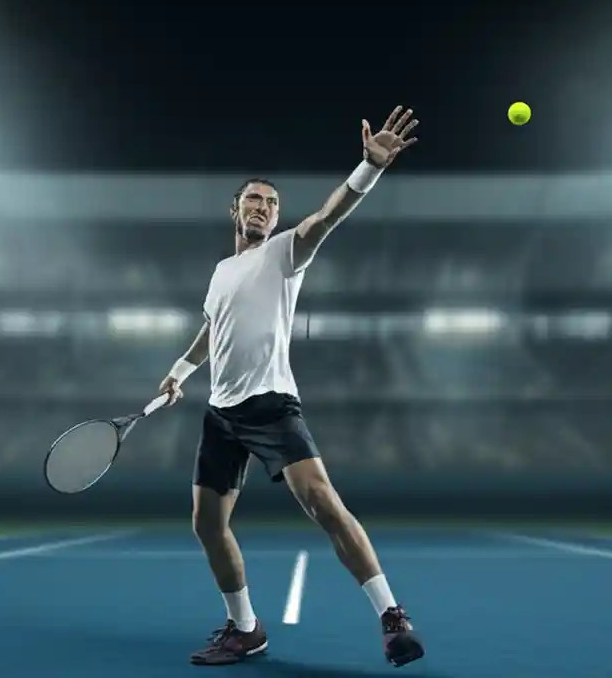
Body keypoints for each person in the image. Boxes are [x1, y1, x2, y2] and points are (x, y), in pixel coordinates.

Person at [155, 105, 423, 667]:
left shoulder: (286, 253)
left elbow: (325, 218)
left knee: (322, 502)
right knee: (207, 524)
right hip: (220, 412)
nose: (264, 207)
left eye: (272, 203)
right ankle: (246, 628)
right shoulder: (221, 272)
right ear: (236, 209)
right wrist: (180, 373)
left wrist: (367, 169)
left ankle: (391, 615)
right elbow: (212, 329)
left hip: (271, 403)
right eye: (254, 199)